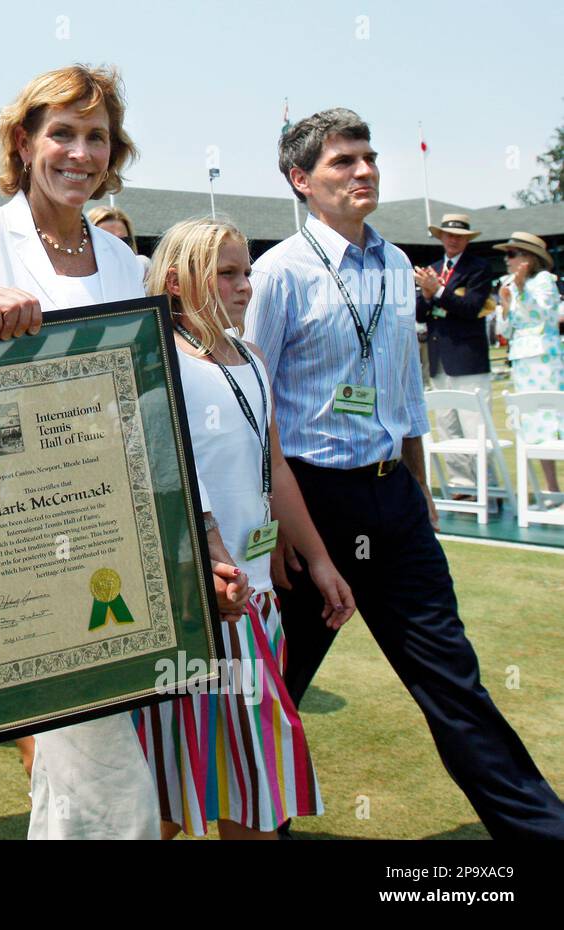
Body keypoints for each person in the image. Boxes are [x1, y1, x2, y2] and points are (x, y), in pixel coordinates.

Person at [0, 65, 250, 838]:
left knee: (81, 777)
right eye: (61, 132)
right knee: (110, 781)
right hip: (15, 548)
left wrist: (204, 535)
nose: (79, 152)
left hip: (112, 542)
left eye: (96, 137)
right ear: (24, 142)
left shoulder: (126, 267)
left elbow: (151, 415)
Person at [245, 107, 564, 839]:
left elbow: (404, 389)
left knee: (455, 682)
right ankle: (255, 824)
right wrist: (278, 523)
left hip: (395, 499)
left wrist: (416, 482)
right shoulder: (279, 274)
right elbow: (252, 409)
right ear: (301, 181)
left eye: (368, 158)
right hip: (310, 505)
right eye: (342, 163)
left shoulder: (394, 265)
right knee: (275, 691)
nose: (364, 171)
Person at [135, 217, 355, 838]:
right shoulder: (156, 358)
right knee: (182, 787)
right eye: (227, 273)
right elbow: (161, 475)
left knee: (237, 785)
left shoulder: (254, 358)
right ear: (177, 282)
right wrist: (208, 560)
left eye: (247, 271)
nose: (245, 286)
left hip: (256, 597)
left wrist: (319, 559)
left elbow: (274, 465)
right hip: (195, 606)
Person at [414, 214, 497, 492]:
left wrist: (437, 291)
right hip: (438, 359)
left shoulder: (479, 268)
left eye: (459, 236)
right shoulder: (434, 268)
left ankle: (488, 489)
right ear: (441, 237)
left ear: (467, 239)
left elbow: (471, 308)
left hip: (468, 359)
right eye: (448, 235)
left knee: (476, 428)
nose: (453, 240)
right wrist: (426, 295)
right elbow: (419, 314)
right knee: (447, 427)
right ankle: (462, 486)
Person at [495, 231, 562, 494]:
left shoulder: (544, 280)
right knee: (534, 422)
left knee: (555, 419)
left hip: (546, 359)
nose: (507, 260)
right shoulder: (509, 284)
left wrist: (522, 290)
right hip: (521, 360)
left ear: (529, 258)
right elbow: (506, 328)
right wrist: (505, 304)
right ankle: (551, 487)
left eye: (512, 254)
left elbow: (545, 313)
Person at [88, 204, 151, 283]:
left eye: (123, 241)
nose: (117, 248)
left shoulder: (141, 270)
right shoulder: (77, 282)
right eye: (106, 241)